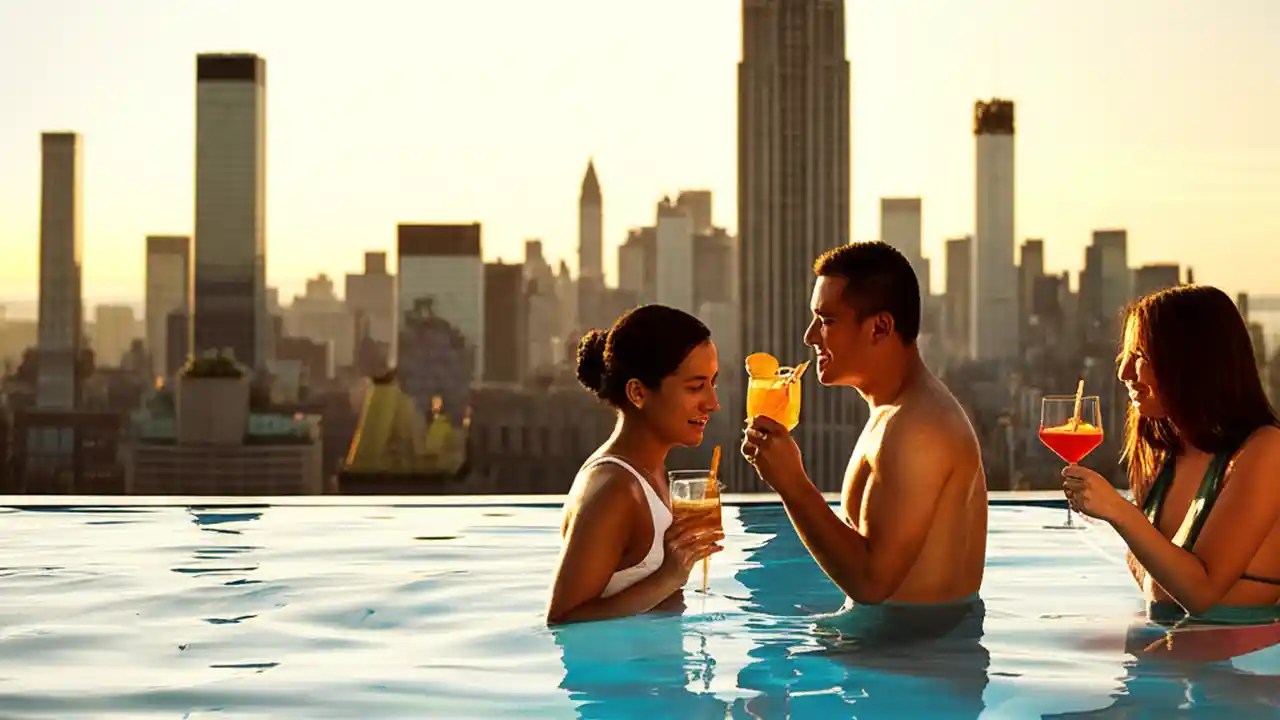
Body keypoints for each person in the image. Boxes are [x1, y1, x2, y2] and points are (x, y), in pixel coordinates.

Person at [741, 241, 987, 608]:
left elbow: (873, 584)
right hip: (897, 649)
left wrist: (792, 484)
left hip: (913, 659)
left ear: (880, 327)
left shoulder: (917, 429)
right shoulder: (893, 412)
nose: (810, 336)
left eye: (826, 321)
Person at [1063, 285, 1280, 625]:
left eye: (1141, 358)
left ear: (1192, 361)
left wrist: (1118, 511)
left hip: (1237, 669)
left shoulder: (1266, 451)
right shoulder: (1164, 454)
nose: (1124, 374)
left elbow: (1202, 594)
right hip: (1166, 663)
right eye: (1124, 357)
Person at [547, 305, 725, 625]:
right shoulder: (616, 490)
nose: (713, 402)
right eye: (696, 387)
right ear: (638, 392)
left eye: (713, 383)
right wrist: (671, 575)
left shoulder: (650, 471)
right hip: (622, 675)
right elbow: (564, 619)